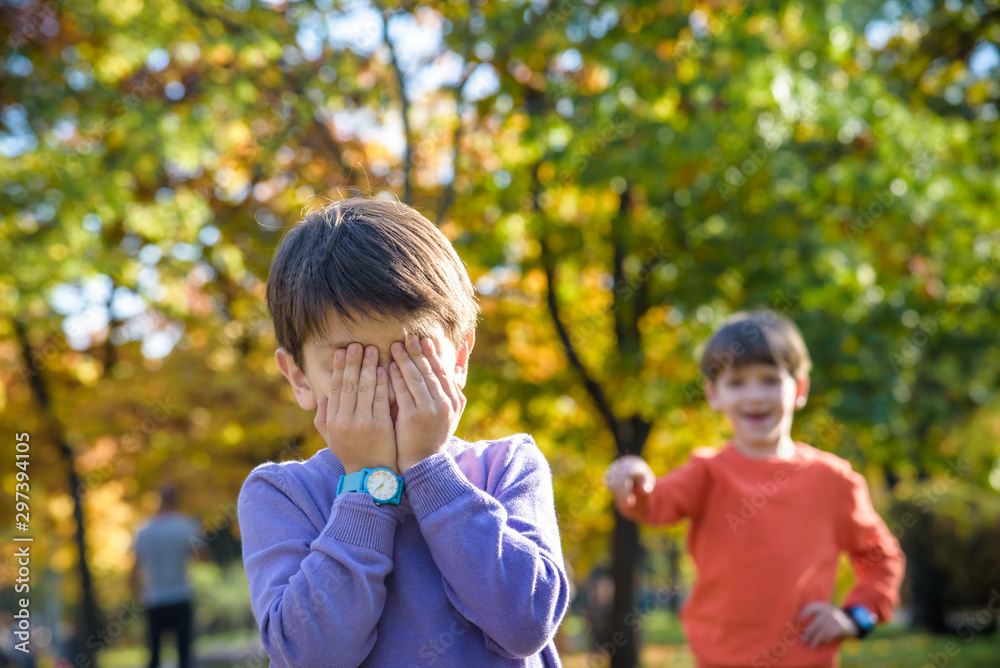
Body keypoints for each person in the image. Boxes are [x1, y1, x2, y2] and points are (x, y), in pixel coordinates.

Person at [237, 197, 569, 668]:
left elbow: (526, 623)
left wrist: (429, 469)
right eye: (351, 364)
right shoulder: (282, 494)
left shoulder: (507, 466)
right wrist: (368, 485)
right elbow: (310, 655)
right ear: (299, 377)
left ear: (458, 359)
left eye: (410, 356)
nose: (385, 386)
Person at [604, 311, 904, 668]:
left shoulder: (834, 480)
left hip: (807, 659)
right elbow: (656, 503)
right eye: (737, 382)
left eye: (769, 379)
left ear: (800, 388)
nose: (755, 395)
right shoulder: (707, 472)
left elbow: (881, 557)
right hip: (719, 659)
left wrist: (857, 616)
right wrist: (635, 479)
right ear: (713, 394)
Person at [132, 484, 204, 668]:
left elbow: (134, 571)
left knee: (154, 655)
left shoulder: (143, 530)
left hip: (154, 599)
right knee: (184, 655)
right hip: (181, 595)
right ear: (176, 500)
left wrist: (139, 595)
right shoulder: (186, 526)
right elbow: (202, 556)